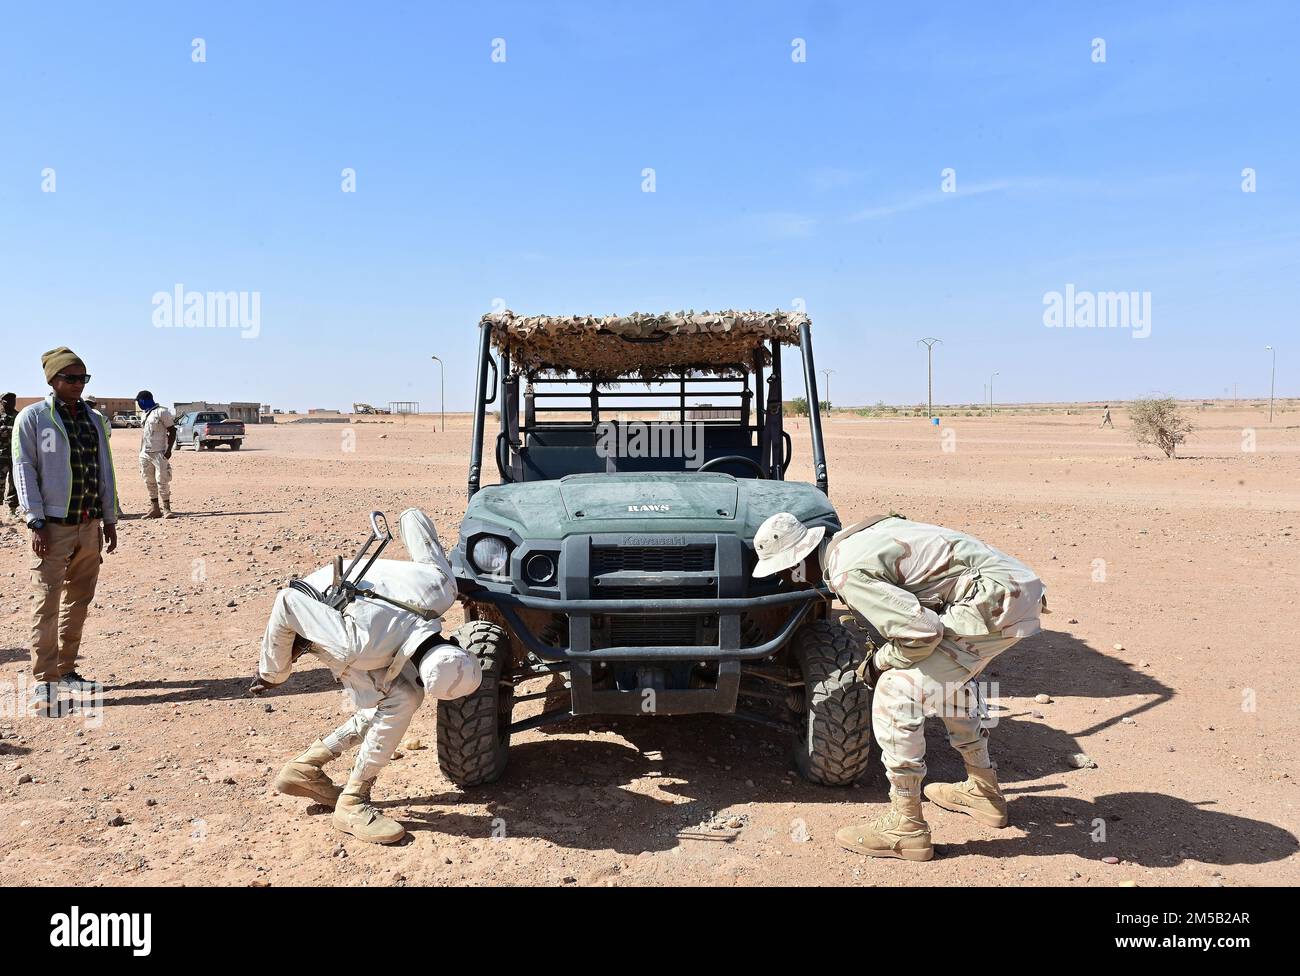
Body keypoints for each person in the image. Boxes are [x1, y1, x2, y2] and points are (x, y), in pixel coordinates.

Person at [752, 511, 1045, 862]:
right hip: (1015, 588)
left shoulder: (847, 573)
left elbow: (922, 632)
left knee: (896, 691)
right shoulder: (852, 541)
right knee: (947, 679)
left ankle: (906, 828)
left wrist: (878, 663)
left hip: (992, 602)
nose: (789, 579)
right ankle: (983, 792)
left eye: (786, 571)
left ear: (800, 559)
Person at [250, 508, 480, 844]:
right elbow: (287, 603)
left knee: (398, 697)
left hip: (368, 615)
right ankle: (352, 803)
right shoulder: (359, 647)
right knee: (401, 699)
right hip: (323, 613)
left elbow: (414, 520)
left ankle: (305, 768)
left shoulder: (443, 589)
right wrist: (273, 672)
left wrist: (452, 577)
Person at [11, 348, 119, 716]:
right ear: (52, 380)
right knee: (46, 603)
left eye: (83, 379)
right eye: (71, 378)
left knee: (79, 600)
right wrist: (35, 520)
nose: (78, 385)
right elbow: (23, 470)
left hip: (89, 525)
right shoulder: (34, 419)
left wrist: (110, 519)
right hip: (52, 529)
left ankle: (68, 669)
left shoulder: (93, 419)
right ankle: (45, 682)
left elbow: (104, 469)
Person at [135, 390, 176, 518]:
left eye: (139, 402)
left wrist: (168, 451)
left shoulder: (162, 412)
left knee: (162, 481)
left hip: (159, 453)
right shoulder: (144, 414)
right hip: (145, 453)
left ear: (144, 400)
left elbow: (172, 431)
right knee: (149, 481)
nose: (139, 404)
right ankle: (155, 509)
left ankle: (167, 509)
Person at [1, 392, 18, 519]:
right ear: (2, 402)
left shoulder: (19, 417)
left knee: (14, 483)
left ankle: (12, 510)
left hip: (15, 456)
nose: (11, 403)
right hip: (1, 456)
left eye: (13, 400)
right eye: (7, 401)